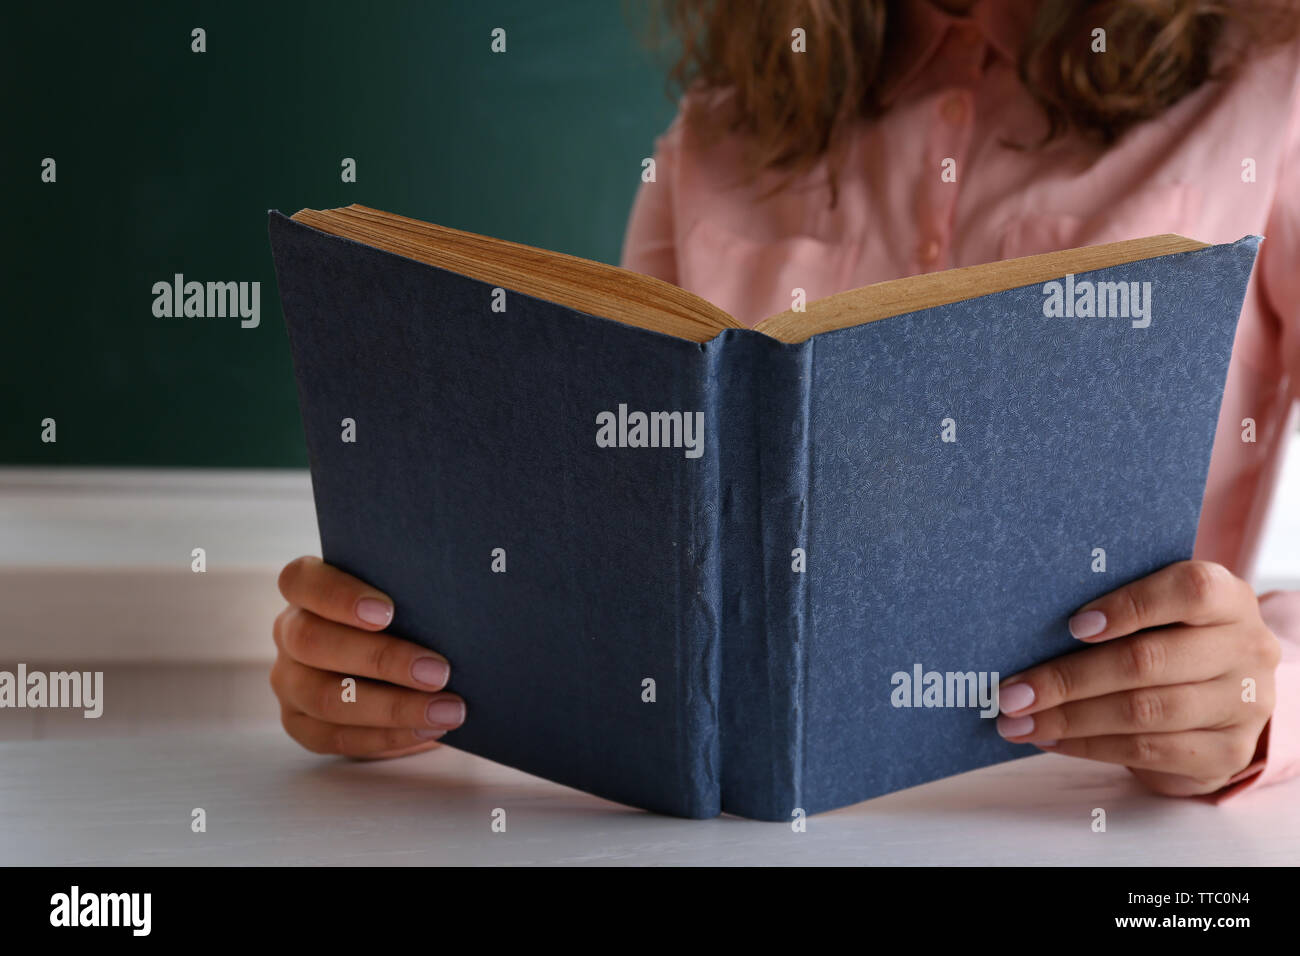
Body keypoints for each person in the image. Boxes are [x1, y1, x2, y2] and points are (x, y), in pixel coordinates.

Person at [270, 0, 1300, 800]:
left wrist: (1265, 699)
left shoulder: (1274, 89)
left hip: (1098, 830)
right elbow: (639, 548)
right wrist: (400, 661)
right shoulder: (723, 123)